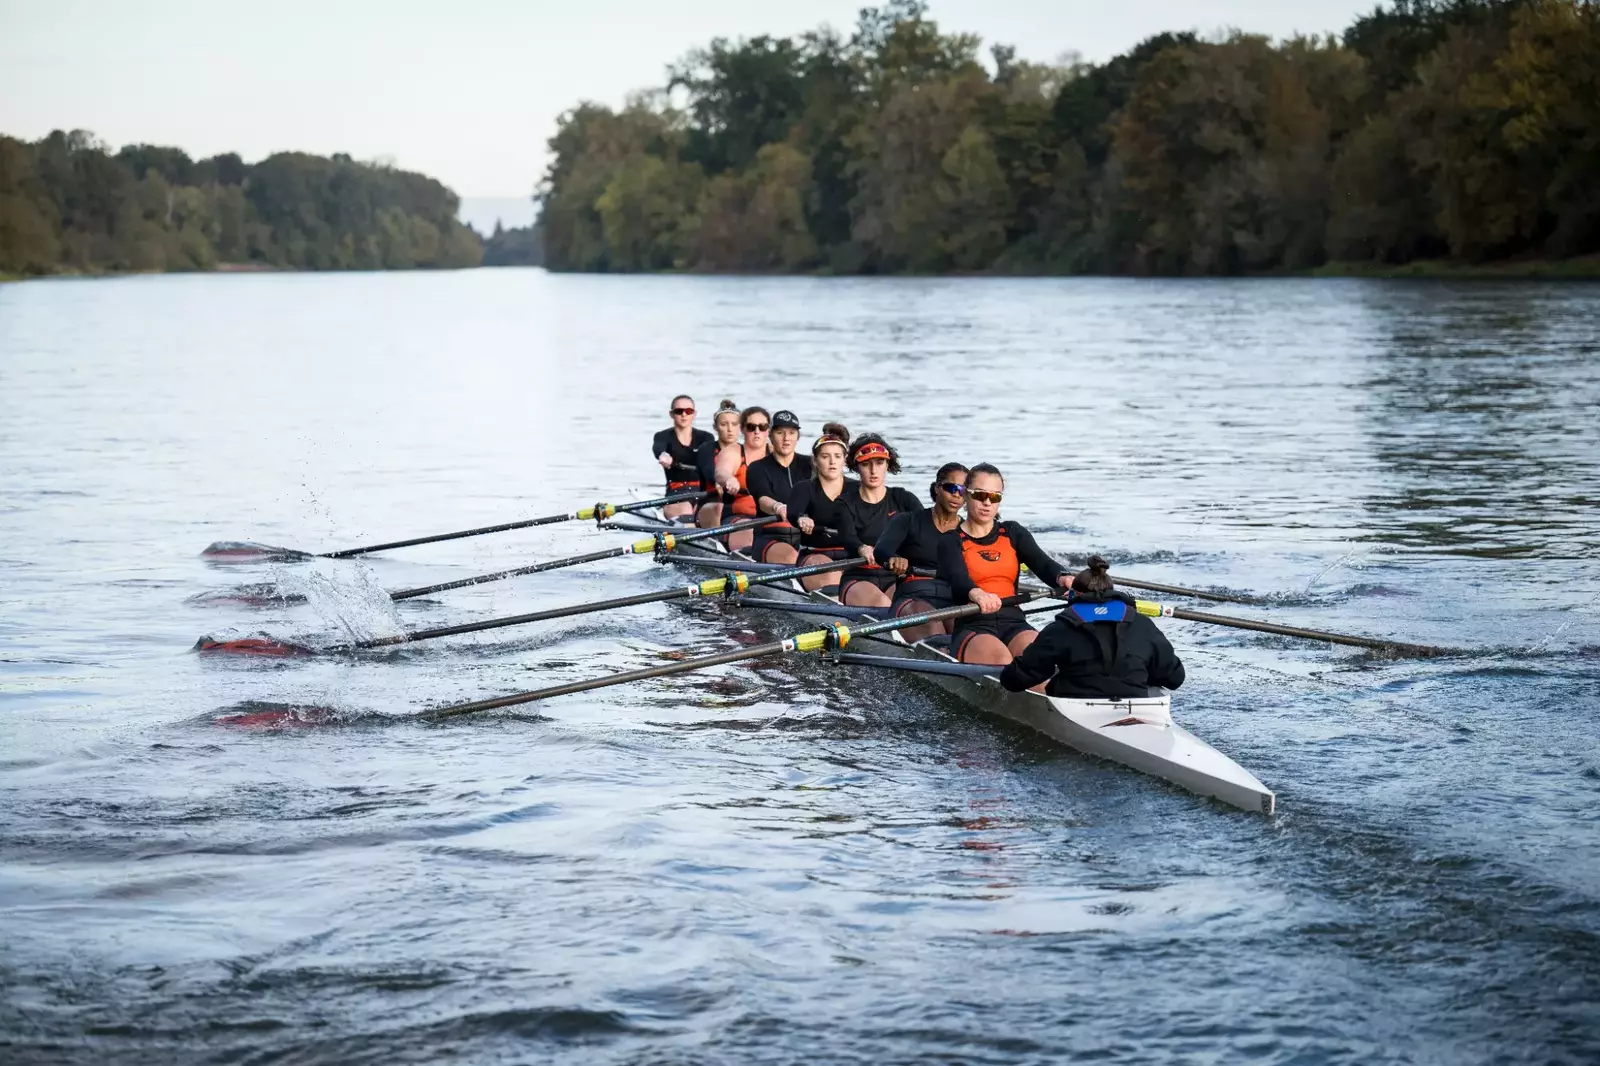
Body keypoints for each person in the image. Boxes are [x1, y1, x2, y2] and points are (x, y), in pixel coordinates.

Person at [935, 463, 1073, 666]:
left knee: (1043, 659)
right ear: (966, 495)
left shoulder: (1012, 532)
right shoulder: (951, 539)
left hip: (1014, 621)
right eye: (980, 495)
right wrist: (977, 594)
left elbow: (1043, 563)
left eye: (995, 497)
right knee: (1002, 661)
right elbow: (958, 579)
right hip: (974, 624)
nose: (987, 503)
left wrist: (1063, 577)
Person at [999, 556, 1186, 698]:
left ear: (1073, 595)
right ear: (1112, 593)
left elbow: (1015, 681)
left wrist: (1007, 672)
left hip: (1075, 705)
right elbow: (1175, 678)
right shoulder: (1142, 624)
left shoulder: (1061, 629)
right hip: (1137, 705)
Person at [874, 462, 967, 641]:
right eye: (951, 487)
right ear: (938, 488)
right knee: (933, 626)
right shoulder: (908, 520)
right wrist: (894, 559)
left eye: (963, 491)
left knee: (966, 631)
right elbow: (882, 550)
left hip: (954, 600)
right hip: (913, 596)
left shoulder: (968, 532)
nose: (956, 494)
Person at [836, 434, 923, 608]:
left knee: (911, 607)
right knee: (884, 605)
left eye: (879, 463)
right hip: (860, 575)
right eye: (866, 464)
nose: (873, 471)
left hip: (895, 575)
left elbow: (927, 531)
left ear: (887, 465)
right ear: (856, 467)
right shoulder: (845, 503)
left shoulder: (903, 498)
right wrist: (862, 547)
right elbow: (848, 538)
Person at [781, 423, 853, 590]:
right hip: (815, 553)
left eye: (837, 456)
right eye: (825, 456)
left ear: (845, 459)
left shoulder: (857, 489)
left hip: (854, 555)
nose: (832, 461)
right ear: (815, 460)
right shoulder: (804, 487)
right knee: (833, 576)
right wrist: (802, 518)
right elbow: (794, 512)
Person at [746, 410, 813, 563]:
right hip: (770, 537)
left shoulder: (811, 465)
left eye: (791, 433)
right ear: (770, 436)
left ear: (798, 437)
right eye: (780, 433)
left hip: (806, 537)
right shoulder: (757, 468)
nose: (786, 438)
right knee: (791, 557)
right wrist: (778, 507)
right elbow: (763, 499)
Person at [713, 405, 772, 551]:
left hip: (771, 517)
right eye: (751, 427)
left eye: (762, 427)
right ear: (743, 429)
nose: (757, 432)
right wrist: (728, 479)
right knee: (750, 530)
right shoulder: (733, 452)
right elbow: (721, 471)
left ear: (768, 430)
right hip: (738, 518)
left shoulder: (777, 453)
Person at [653, 395, 712, 522]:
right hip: (677, 492)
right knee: (686, 509)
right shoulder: (662, 436)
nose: (684, 415)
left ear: (694, 414)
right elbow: (659, 448)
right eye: (679, 411)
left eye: (688, 411)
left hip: (702, 492)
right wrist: (663, 456)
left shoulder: (706, 438)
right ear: (671, 414)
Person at [695, 400, 742, 528]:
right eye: (724, 424)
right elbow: (708, 469)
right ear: (715, 427)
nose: (730, 429)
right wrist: (720, 481)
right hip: (710, 503)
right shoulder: (706, 448)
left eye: (734, 424)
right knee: (719, 507)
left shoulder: (745, 451)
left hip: (738, 506)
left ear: (741, 427)